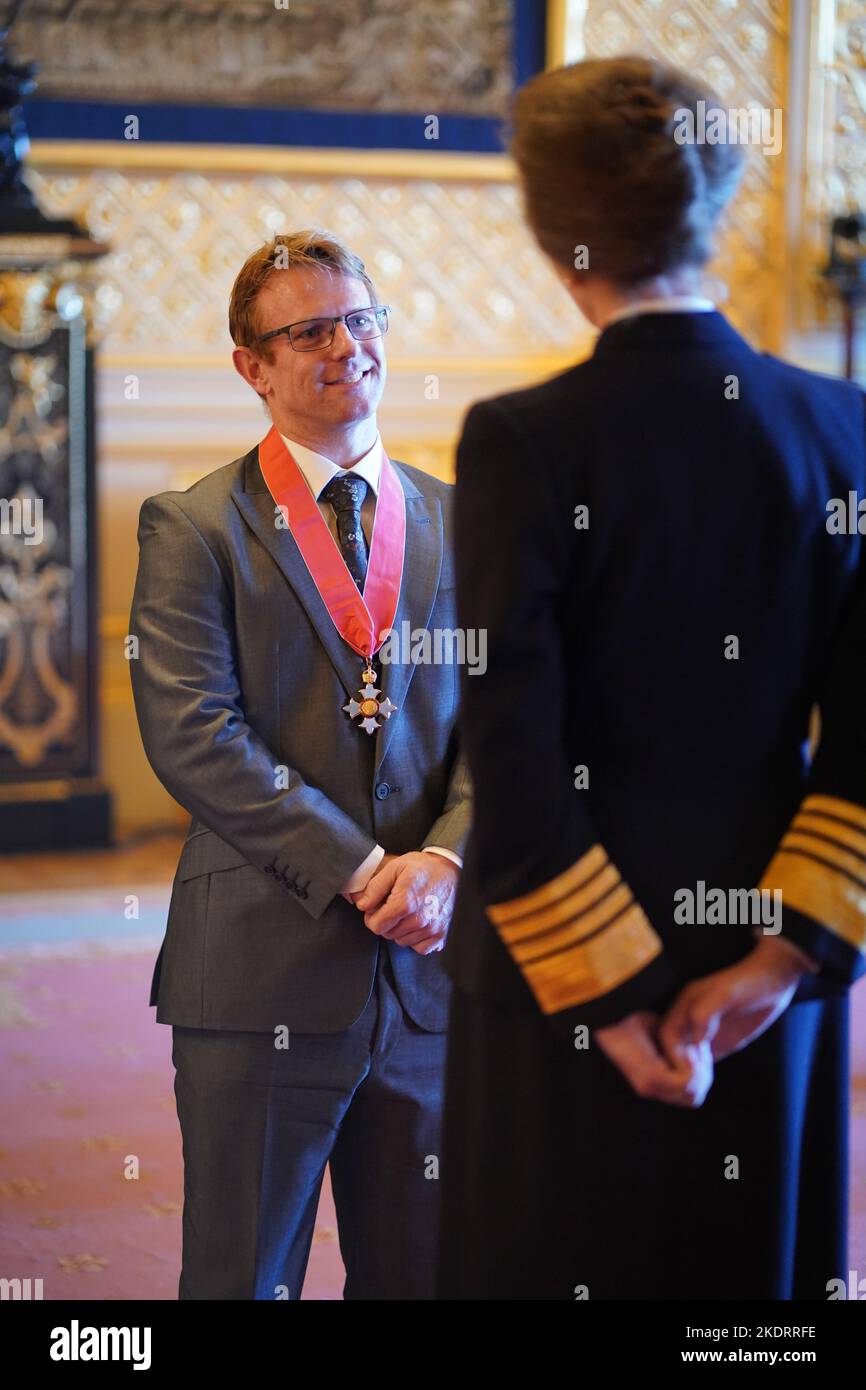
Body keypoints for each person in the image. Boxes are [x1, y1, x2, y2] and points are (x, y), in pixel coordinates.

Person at [438, 55, 866, 1300]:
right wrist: (777, 960)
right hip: (766, 948)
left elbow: (512, 744)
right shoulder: (841, 426)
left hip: (557, 971)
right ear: (713, 208)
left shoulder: (522, 437)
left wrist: (613, 998)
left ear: (550, 232)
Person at [129, 231, 471, 1300]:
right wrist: (367, 867)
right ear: (252, 365)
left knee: (423, 1275)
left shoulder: (460, 517)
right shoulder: (193, 526)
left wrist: (448, 862)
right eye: (309, 330)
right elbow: (195, 733)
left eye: (360, 319)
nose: (346, 346)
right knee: (243, 1278)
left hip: (432, 974)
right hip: (257, 966)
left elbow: (514, 722)